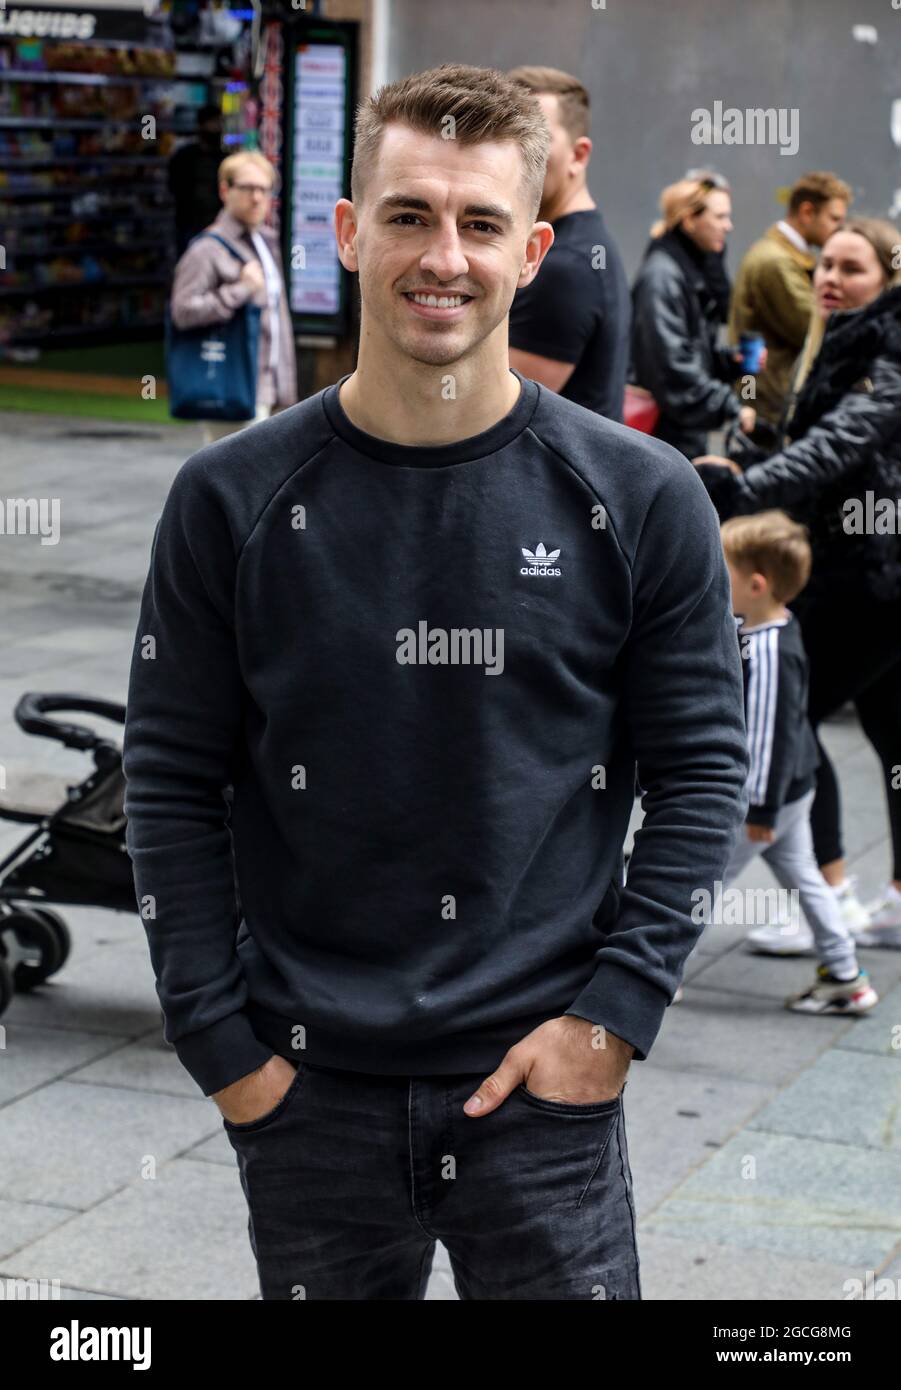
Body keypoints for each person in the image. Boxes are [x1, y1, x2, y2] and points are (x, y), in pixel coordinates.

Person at [123, 63, 748, 1301]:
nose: (442, 257)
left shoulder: (643, 496)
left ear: (534, 253)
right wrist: (222, 1044)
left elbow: (700, 772)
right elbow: (170, 779)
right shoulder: (229, 500)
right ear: (350, 233)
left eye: (480, 223)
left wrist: (611, 1021)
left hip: (543, 1091)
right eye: (408, 215)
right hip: (306, 1093)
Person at [695, 218, 901, 948]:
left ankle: (831, 892)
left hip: (864, 573)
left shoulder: (886, 348)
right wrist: (759, 449)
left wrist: (746, 485)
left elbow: (840, 444)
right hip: (871, 571)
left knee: (797, 717)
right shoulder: (844, 338)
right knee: (887, 729)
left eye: (851, 269)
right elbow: (817, 444)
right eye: (824, 265)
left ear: (886, 282)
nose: (829, 279)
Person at [701, 511, 876, 1013]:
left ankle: (653, 977)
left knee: (699, 880)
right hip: (792, 793)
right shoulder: (770, 626)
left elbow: (764, 737)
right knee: (806, 879)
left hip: (765, 799)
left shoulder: (770, 651)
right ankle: (846, 975)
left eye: (723, 571)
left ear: (756, 585)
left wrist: (758, 811)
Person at [506, 66, 630, 421]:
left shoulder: (567, 266)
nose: (519, 157)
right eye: (509, 139)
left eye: (537, 141)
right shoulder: (583, 246)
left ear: (579, 155)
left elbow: (494, 416)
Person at [169, 150, 297, 445]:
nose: (256, 198)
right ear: (224, 190)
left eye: (264, 189)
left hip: (270, 389)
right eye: (248, 188)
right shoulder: (207, 249)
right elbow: (183, 311)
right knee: (237, 486)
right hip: (233, 389)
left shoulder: (267, 241)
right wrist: (239, 291)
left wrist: (286, 389)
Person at [631, 174, 753, 457]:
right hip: (664, 438)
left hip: (676, 433)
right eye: (720, 217)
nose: (728, 226)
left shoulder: (687, 271)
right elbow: (670, 367)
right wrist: (731, 406)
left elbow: (686, 350)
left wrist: (727, 362)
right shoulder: (663, 278)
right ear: (689, 220)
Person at [729, 172, 851, 429]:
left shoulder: (784, 256)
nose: (840, 228)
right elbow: (813, 329)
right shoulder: (777, 262)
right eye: (834, 218)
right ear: (807, 212)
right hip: (769, 406)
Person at [167, 103, 225, 257]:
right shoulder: (183, 156)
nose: (217, 128)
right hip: (189, 224)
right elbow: (174, 186)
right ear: (202, 125)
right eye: (214, 123)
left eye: (219, 123)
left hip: (217, 225)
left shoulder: (224, 159)